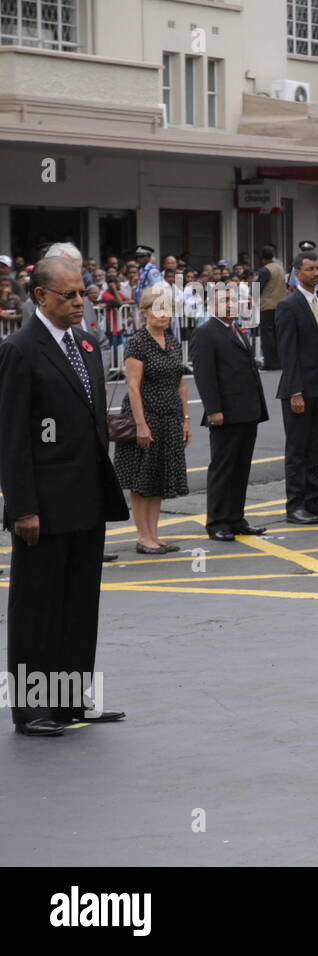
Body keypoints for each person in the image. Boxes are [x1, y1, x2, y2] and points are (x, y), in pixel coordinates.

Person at [0, 257, 130, 734]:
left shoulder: (89, 344)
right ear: (40, 297)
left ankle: (71, 701)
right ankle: (33, 709)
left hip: (87, 497)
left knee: (79, 603)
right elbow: (11, 437)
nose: (80, 302)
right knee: (37, 606)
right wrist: (23, 507)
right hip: (44, 504)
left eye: (83, 293)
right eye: (69, 295)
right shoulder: (19, 349)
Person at [114, 283, 190, 554]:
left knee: (158, 478)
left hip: (169, 417)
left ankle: (155, 535)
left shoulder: (171, 340)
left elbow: (181, 383)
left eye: (167, 309)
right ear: (145, 312)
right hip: (146, 417)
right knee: (141, 479)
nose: (163, 314)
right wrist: (140, 424)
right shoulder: (138, 342)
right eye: (158, 309)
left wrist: (186, 419)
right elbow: (132, 386)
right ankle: (143, 537)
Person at [190, 285, 269, 541]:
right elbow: (205, 375)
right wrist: (213, 409)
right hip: (225, 412)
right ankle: (217, 521)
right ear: (211, 304)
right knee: (223, 468)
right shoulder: (206, 332)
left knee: (241, 467)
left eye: (233, 300)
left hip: (247, 411)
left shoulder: (236, 329)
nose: (230, 305)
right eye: (224, 300)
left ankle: (236, 517)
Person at [276, 251, 318, 525]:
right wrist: (295, 392)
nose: (316, 273)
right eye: (310, 269)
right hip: (300, 390)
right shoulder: (288, 305)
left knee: (315, 450)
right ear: (297, 273)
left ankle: (313, 502)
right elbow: (288, 353)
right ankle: (295, 505)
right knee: (298, 451)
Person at [255, 245, 289, 370]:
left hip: (268, 305)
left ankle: (270, 362)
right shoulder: (280, 268)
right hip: (281, 305)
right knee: (278, 335)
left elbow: (257, 288)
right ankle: (280, 361)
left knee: (267, 335)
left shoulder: (265, 270)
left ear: (262, 258)